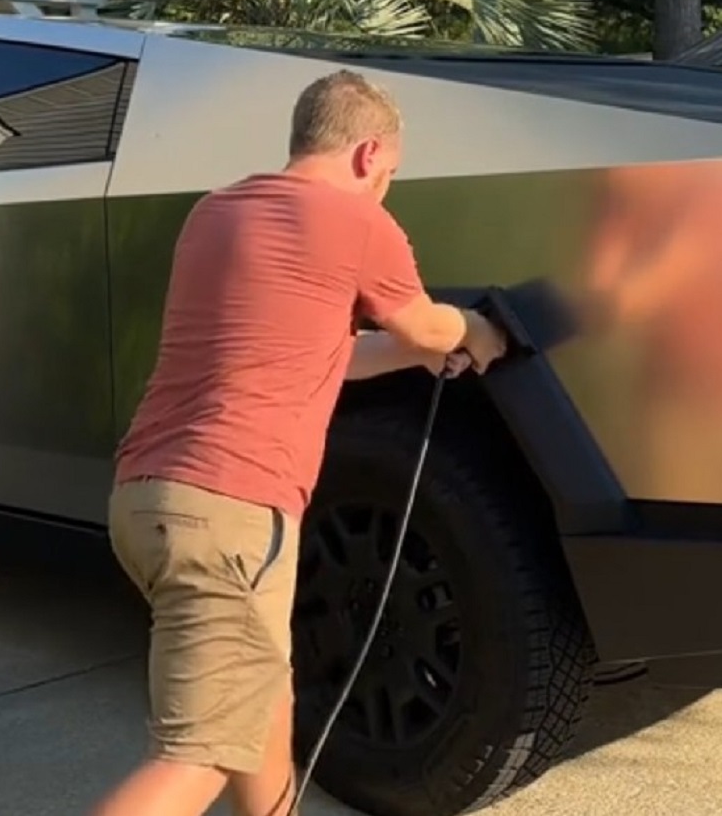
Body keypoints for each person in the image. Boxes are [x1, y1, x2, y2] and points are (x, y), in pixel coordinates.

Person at [89, 69, 509, 816]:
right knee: (198, 754)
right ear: (367, 152)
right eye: (389, 174)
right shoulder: (355, 222)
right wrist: (480, 332)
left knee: (265, 691)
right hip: (231, 510)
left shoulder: (216, 215)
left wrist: (413, 352)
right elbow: (429, 325)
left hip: (147, 497)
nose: (386, 190)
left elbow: (329, 351)